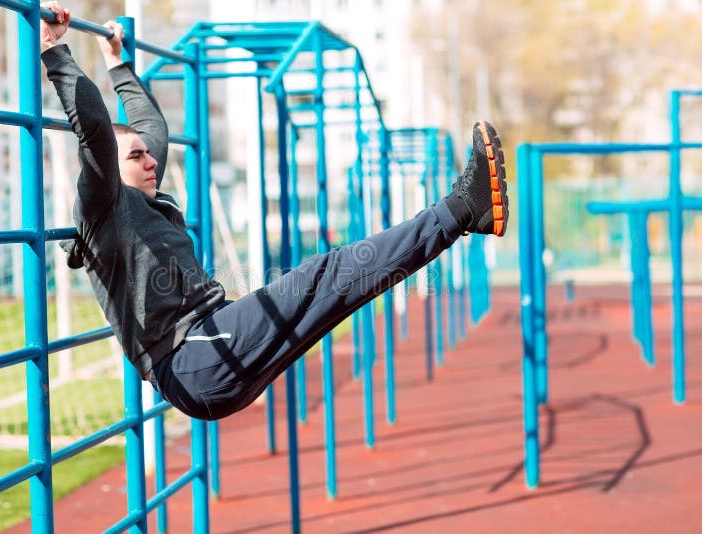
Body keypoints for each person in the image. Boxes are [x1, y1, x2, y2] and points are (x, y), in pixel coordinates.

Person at [40, 2, 509, 421]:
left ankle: (465, 214)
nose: (151, 161)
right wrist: (55, 53)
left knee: (338, 291)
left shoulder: (147, 192)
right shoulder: (104, 206)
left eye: (148, 154)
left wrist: (119, 65)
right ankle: (462, 211)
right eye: (137, 157)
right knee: (330, 274)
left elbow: (150, 126)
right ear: (110, 171)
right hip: (192, 361)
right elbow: (98, 132)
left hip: (214, 345)